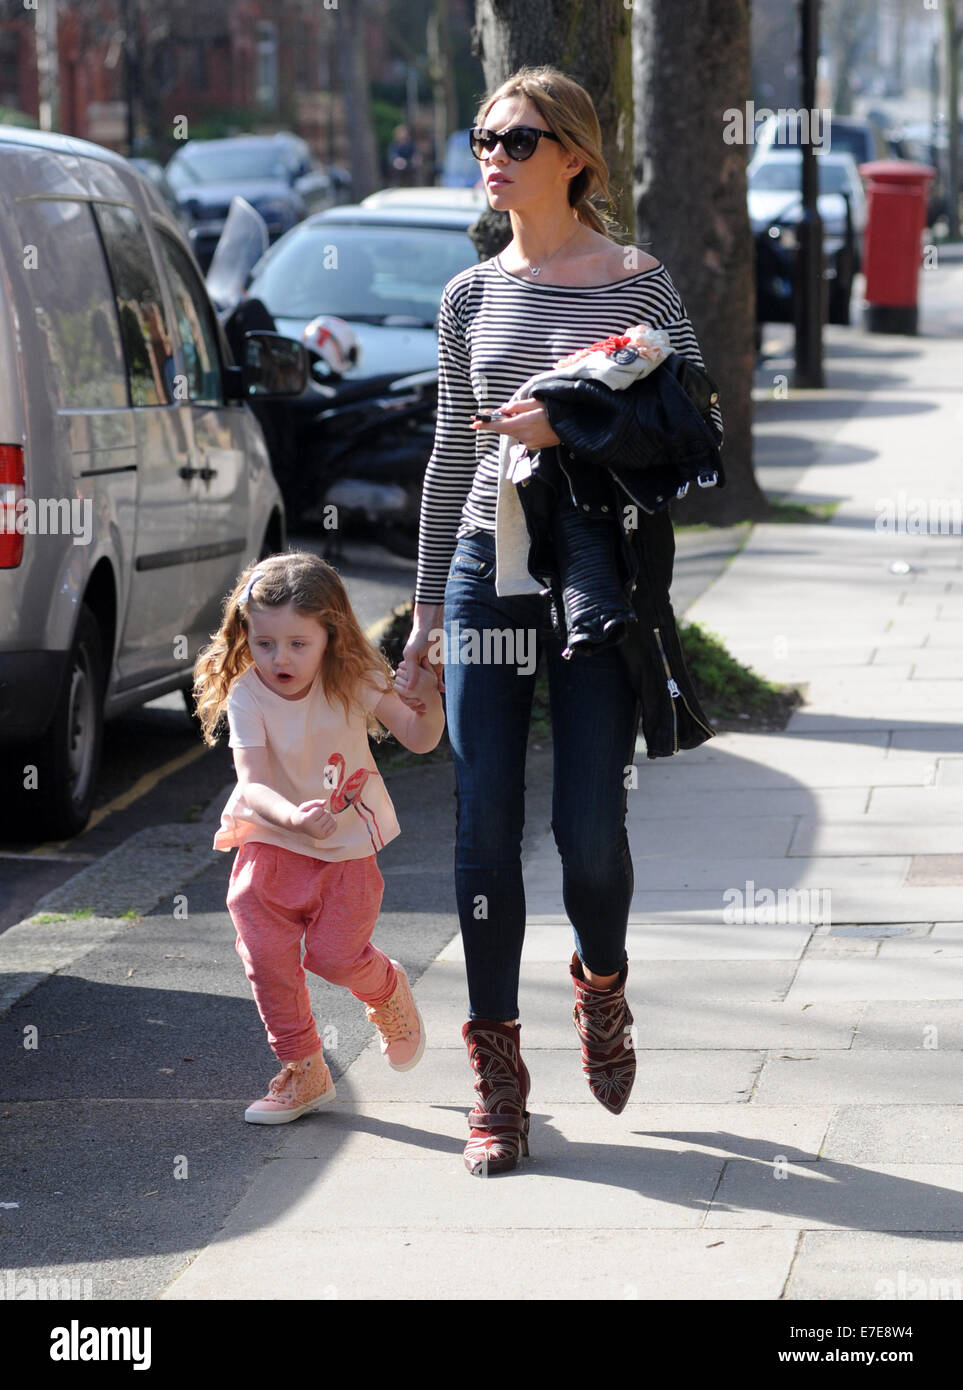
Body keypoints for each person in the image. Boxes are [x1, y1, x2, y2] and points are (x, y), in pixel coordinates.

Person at [401, 66, 724, 1176]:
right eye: (484, 134)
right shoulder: (467, 296)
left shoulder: (640, 283)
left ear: (575, 156)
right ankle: (496, 1081)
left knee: (589, 824)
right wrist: (420, 617)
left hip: (599, 574)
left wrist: (574, 426)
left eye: (519, 138)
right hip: (491, 567)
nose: (494, 152)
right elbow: (449, 453)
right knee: (484, 817)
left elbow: (698, 428)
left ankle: (603, 982)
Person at [193, 551, 444, 1124]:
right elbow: (251, 785)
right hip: (271, 842)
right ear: (246, 637)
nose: (279, 658)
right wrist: (294, 819)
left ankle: (384, 987)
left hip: (344, 850)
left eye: (297, 644)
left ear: (330, 634)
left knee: (333, 958)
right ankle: (304, 1070)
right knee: (266, 958)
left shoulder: (353, 678)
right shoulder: (248, 694)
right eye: (264, 643)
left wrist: (426, 696)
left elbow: (420, 737)